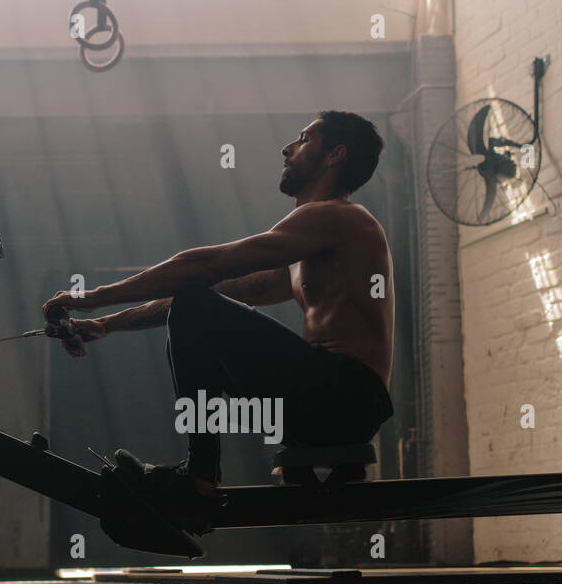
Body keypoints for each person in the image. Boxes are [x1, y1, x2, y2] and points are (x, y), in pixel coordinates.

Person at [42, 110, 395, 533]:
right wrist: (108, 324)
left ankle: (198, 480)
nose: (286, 147)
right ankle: (198, 478)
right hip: (322, 404)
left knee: (194, 301)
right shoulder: (309, 249)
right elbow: (205, 300)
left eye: (302, 139)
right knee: (195, 307)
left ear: (335, 154)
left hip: (349, 399)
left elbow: (203, 267)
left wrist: (92, 298)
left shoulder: (338, 218)